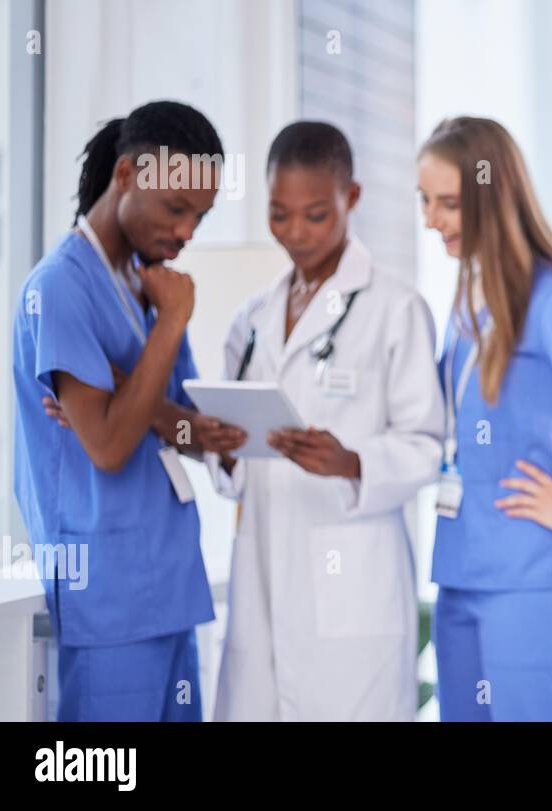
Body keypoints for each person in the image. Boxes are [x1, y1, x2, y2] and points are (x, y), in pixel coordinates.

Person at [206, 121, 444, 721]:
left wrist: (352, 462)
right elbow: (226, 464)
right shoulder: (253, 317)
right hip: (260, 572)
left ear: (351, 198)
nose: (295, 233)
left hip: (352, 590)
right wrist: (224, 447)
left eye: (315, 214)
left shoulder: (396, 308)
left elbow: (426, 444)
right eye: (279, 214)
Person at [15, 101, 244, 721]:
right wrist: (170, 326)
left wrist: (130, 393)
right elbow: (111, 448)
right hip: (108, 592)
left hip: (167, 580)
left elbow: (193, 432)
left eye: (200, 214)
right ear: (126, 177)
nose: (188, 231)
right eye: (176, 208)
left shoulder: (147, 285)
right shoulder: (60, 287)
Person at [418, 116, 552, 721]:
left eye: (447, 203)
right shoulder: (466, 302)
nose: (430, 219)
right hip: (461, 570)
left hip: (536, 578)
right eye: (424, 201)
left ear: (491, 197)